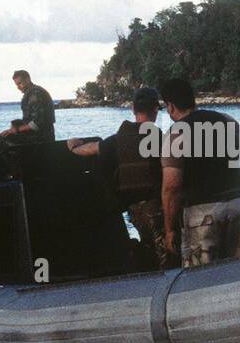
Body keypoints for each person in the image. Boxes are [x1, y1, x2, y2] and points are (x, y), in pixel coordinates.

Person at [69, 86, 171, 269]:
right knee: (166, 257)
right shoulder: (160, 138)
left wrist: (72, 146)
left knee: (149, 249)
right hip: (157, 207)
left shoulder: (118, 139)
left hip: (134, 210)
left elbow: (92, 148)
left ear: (133, 108)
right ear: (156, 109)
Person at [158, 78, 240, 267]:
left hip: (201, 212)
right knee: (239, 270)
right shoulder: (224, 119)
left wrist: (169, 230)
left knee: (200, 277)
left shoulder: (176, 134)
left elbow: (171, 187)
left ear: (170, 106)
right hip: (237, 204)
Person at [0, 70, 55, 143]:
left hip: (39, 138)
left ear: (28, 79)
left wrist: (16, 130)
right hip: (40, 136)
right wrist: (13, 129)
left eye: (20, 83)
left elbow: (38, 123)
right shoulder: (33, 92)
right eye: (16, 85)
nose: (18, 87)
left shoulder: (35, 94)